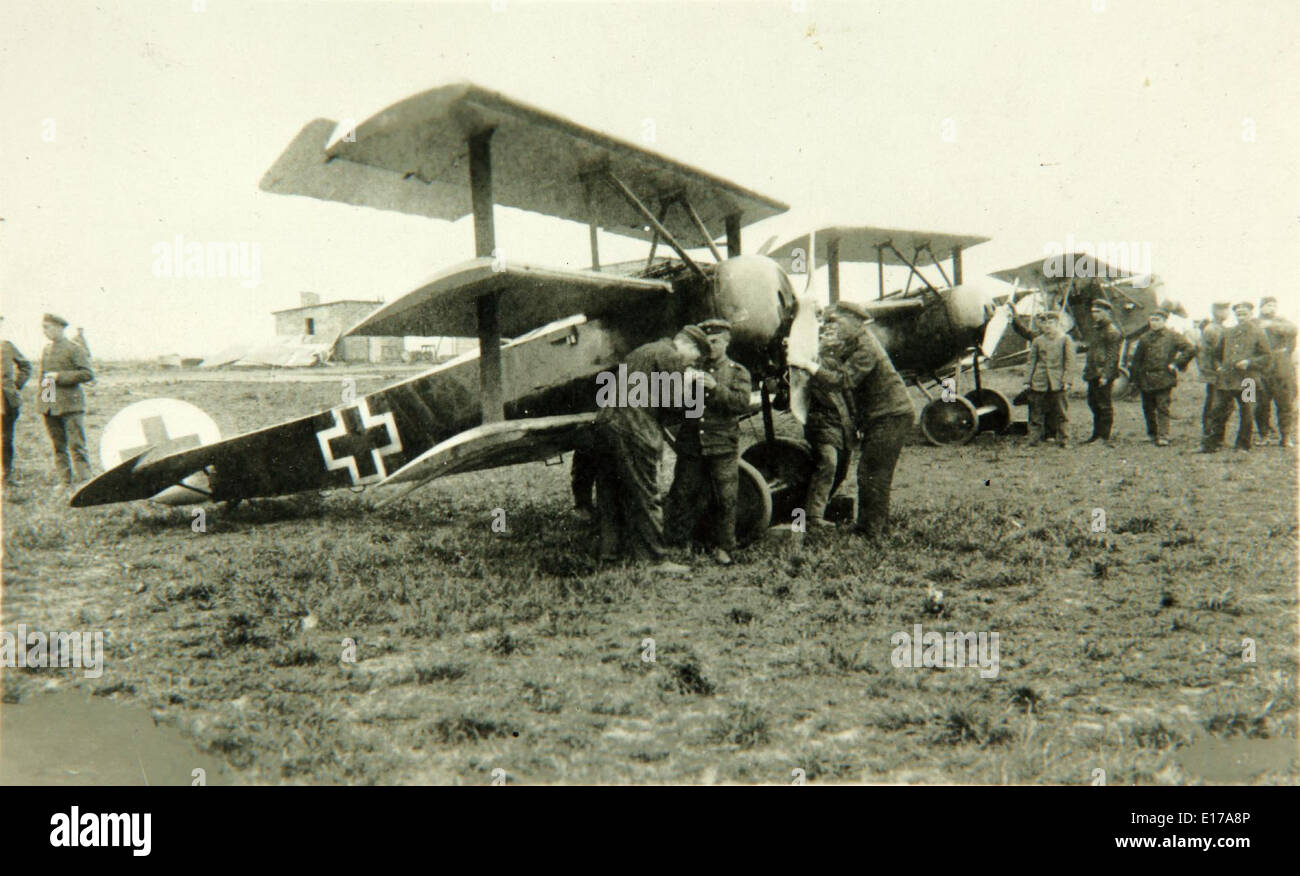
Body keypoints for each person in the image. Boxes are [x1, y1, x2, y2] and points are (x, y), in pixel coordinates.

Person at [788, 302, 914, 541]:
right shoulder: (855, 342)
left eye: (837, 321)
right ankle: (873, 526)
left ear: (856, 322)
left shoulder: (866, 346)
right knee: (871, 472)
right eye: (830, 322)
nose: (832, 326)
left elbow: (842, 380)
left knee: (873, 472)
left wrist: (808, 365)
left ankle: (871, 531)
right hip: (882, 416)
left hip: (891, 415)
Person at [592, 325, 709, 569]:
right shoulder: (670, 354)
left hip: (606, 425)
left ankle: (609, 557)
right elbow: (677, 404)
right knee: (646, 495)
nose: (692, 363)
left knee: (610, 494)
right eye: (695, 358)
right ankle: (654, 559)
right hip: (633, 429)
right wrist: (692, 383)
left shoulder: (643, 351)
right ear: (688, 345)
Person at [664, 318, 752, 566]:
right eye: (705, 342)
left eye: (714, 341)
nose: (709, 346)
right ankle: (677, 544)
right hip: (691, 443)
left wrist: (714, 389)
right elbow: (681, 408)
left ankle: (724, 546)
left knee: (726, 497)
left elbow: (740, 404)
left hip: (722, 444)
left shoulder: (738, 372)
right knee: (682, 492)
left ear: (726, 342)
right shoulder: (691, 368)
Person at [1200, 301, 1273, 453]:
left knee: (1247, 412)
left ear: (1251, 314)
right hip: (1227, 380)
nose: (1241, 316)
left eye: (1244, 313)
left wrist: (1250, 362)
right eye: (1238, 313)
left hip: (1248, 380)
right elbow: (1216, 355)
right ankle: (1212, 444)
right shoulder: (1228, 332)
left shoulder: (1258, 332)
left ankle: (1243, 445)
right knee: (1217, 411)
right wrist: (1219, 367)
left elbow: (1267, 356)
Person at [802, 316, 853, 527]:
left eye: (834, 333)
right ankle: (813, 516)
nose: (830, 338)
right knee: (829, 463)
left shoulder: (841, 361)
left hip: (842, 423)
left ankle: (820, 506)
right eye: (825, 334)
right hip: (822, 424)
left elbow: (848, 394)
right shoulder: (812, 362)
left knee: (842, 465)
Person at [38, 313, 95, 487]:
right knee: (58, 446)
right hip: (51, 406)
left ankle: (85, 481)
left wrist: (60, 376)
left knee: (76, 445)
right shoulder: (47, 349)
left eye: (47, 328)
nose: (44, 332)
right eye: (43, 328)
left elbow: (87, 374)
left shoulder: (74, 348)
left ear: (59, 328)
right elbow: (44, 378)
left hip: (70, 406)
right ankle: (64, 481)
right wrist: (45, 404)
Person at [1127, 309, 1195, 446]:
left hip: (1164, 377)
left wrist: (1176, 364)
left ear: (1164, 321)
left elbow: (1190, 349)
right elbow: (1137, 360)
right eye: (1152, 320)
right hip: (1146, 377)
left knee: (1162, 406)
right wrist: (1135, 379)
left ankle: (1163, 435)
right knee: (1147, 407)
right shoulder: (1145, 338)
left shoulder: (1173, 336)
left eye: (1158, 320)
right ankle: (1152, 434)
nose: (1154, 323)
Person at [1023, 311, 1076, 447]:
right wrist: (1027, 381)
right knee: (1036, 412)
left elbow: (1070, 362)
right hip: (1040, 381)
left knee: (1061, 412)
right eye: (1044, 323)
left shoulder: (1065, 339)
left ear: (1057, 323)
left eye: (1050, 322)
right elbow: (1031, 362)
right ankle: (1033, 439)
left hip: (1058, 382)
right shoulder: (1038, 341)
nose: (1047, 326)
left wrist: (1067, 380)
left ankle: (1064, 440)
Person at [1254, 296, 1297, 446]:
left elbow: (1292, 331)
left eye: (1274, 305)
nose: (1271, 308)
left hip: (1280, 367)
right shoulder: (1254, 322)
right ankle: (1264, 435)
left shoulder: (1282, 321)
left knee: (1285, 402)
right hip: (1260, 368)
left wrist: (1271, 326)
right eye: (1268, 305)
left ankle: (1285, 436)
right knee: (1260, 404)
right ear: (1261, 307)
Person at [1081, 300, 1122, 444]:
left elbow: (1113, 356)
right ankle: (1096, 434)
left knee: (1104, 404)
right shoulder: (1097, 329)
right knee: (1093, 403)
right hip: (1093, 372)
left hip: (1102, 374)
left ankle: (1104, 436)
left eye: (1098, 311)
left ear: (1107, 312)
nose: (1094, 315)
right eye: (1093, 312)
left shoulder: (1112, 331)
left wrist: (1106, 375)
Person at [2, 314, 33, 484]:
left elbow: (26, 366)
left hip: (6, 401)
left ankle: (6, 476)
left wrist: (15, 386)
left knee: (6, 439)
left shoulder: (7, 346)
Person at [1195, 302, 1230, 434]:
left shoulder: (1221, 327)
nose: (1226, 313)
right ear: (1215, 312)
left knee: (1220, 403)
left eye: (1226, 310)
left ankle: (1212, 431)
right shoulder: (1212, 329)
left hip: (1219, 371)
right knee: (1215, 403)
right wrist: (1212, 371)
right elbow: (1208, 352)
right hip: (1215, 372)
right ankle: (1209, 432)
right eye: (1222, 310)